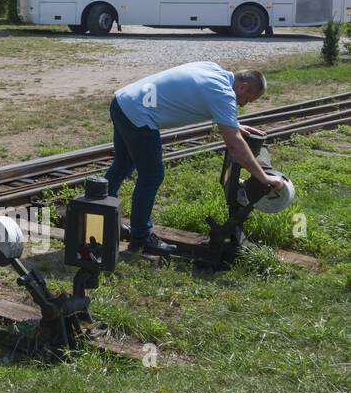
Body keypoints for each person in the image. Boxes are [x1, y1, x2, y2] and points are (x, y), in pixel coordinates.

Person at [107, 62, 280, 254]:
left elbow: (195, 92)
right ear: (243, 87)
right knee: (152, 176)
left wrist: (233, 123)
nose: (242, 104)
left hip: (123, 101)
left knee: (123, 164)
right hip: (139, 115)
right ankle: (141, 238)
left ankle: (103, 217)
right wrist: (263, 178)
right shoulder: (223, 93)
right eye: (247, 100)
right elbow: (235, 145)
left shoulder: (212, 69)